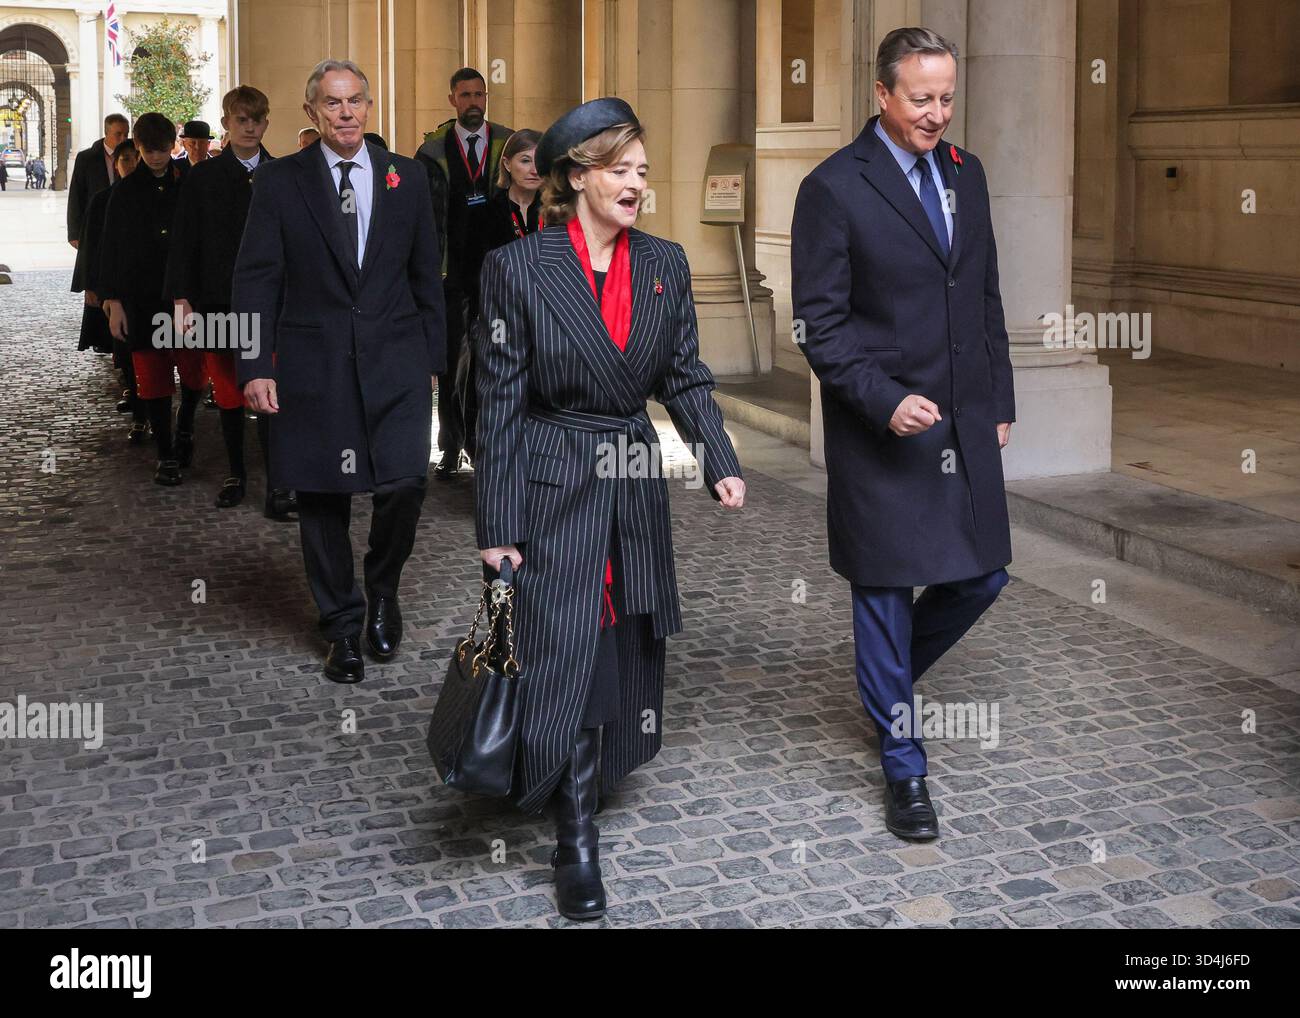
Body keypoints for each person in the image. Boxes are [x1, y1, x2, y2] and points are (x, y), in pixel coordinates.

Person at [475, 98, 745, 921]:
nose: (637, 184)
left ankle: (588, 783)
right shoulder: (518, 270)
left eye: (642, 170)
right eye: (621, 170)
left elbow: (686, 377)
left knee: (620, 641)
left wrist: (718, 460)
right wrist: (498, 528)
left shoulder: (663, 264)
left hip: (630, 485)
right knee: (571, 650)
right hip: (556, 487)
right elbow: (498, 405)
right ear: (578, 176)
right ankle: (576, 843)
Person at [790, 27, 1016, 842]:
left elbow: (985, 290)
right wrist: (883, 400)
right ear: (881, 94)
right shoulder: (833, 187)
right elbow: (818, 324)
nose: (937, 113)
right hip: (881, 428)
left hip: (963, 418)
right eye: (921, 98)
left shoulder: (969, 174)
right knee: (884, 590)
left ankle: (880, 684)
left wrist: (996, 398)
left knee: (984, 573)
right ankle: (903, 762)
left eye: (947, 97)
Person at [232, 59, 446, 684]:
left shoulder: (407, 177)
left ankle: (382, 590)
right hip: (312, 364)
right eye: (332, 103)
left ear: (369, 107)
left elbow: (426, 276)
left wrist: (432, 360)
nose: (346, 112)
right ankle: (343, 626)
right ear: (312, 113)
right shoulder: (280, 182)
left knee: (405, 483)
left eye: (355, 101)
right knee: (322, 497)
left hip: (397, 360)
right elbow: (255, 279)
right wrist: (255, 363)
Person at [166, 84, 295, 518]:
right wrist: (182, 300)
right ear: (226, 123)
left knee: (271, 394)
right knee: (228, 394)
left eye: (257, 120)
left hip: (272, 307)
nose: (250, 127)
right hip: (218, 302)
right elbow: (184, 240)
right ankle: (236, 474)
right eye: (241, 120)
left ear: (266, 123)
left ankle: (278, 485)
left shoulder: (282, 173)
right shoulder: (202, 177)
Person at [414, 67, 511, 479]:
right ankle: (450, 445)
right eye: (465, 95)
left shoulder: (509, 145)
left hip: (498, 274)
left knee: (492, 363)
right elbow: (422, 216)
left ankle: (483, 444)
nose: (473, 102)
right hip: (448, 274)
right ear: (452, 99)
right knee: (451, 363)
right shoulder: (431, 153)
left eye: (479, 95)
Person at [100, 113, 204, 486]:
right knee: (154, 380)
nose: (157, 157)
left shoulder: (188, 184)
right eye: (149, 151)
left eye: (163, 150)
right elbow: (110, 249)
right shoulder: (124, 193)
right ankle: (165, 454)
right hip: (142, 299)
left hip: (186, 298)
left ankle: (187, 424)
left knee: (194, 374)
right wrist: (113, 303)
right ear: (138, 148)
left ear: (171, 147)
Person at [458, 127, 542, 461]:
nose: (534, 169)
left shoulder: (557, 214)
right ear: (507, 164)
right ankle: (491, 464)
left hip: (543, 322)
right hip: (497, 321)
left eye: (540, 161)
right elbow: (469, 269)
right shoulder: (485, 211)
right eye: (525, 160)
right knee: (497, 397)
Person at [72, 140, 140, 363]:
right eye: (126, 159)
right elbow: (91, 246)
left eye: (136, 158)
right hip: (113, 278)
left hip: (144, 281)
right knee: (119, 336)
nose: (132, 164)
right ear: (115, 165)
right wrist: (89, 284)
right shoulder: (101, 200)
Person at [68, 115, 130, 249]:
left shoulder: (133, 156)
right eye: (118, 134)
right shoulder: (87, 158)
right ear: (106, 133)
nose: (123, 139)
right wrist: (74, 233)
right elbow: (76, 194)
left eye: (126, 134)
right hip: (96, 224)